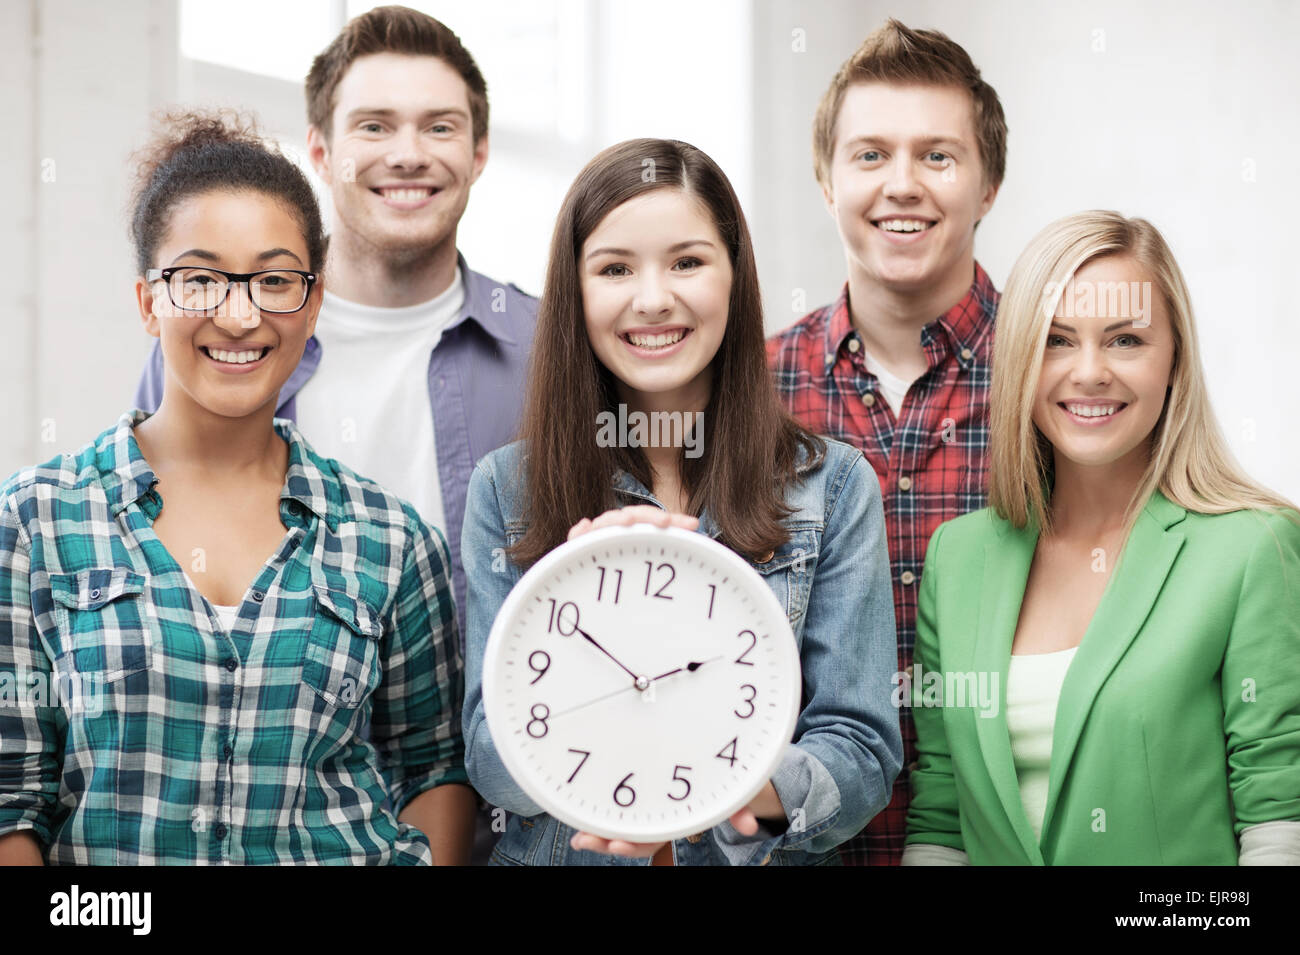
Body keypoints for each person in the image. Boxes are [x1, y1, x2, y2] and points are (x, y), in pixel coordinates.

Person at [0, 111, 473, 865]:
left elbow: (433, 766)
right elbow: (10, 794)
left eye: (275, 279)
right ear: (149, 300)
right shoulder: (34, 518)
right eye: (200, 279)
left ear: (314, 302)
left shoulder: (391, 537)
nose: (240, 312)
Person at [460, 138, 902, 866]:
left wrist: (709, 787)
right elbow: (491, 763)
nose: (654, 297)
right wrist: (566, 594)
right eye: (614, 268)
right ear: (577, 291)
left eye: (688, 261)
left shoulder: (835, 485)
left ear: (735, 277)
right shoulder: (508, 487)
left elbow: (859, 756)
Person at [134, 6, 537, 650]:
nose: (407, 155)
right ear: (321, 151)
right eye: (374, 126)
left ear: (478, 152)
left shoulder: (548, 349)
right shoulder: (218, 340)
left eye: (439, 127)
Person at [903, 211, 1300, 865]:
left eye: (1125, 341)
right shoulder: (959, 555)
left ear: (1174, 359)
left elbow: (1278, 819)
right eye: (1057, 340)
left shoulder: (1255, 545)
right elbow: (942, 815)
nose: (1089, 372)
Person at [767, 18, 1007, 865]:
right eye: (870, 155)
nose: (901, 185)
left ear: (989, 185)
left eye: (937, 156)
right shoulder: (751, 394)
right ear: (827, 182)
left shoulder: (1058, 387)